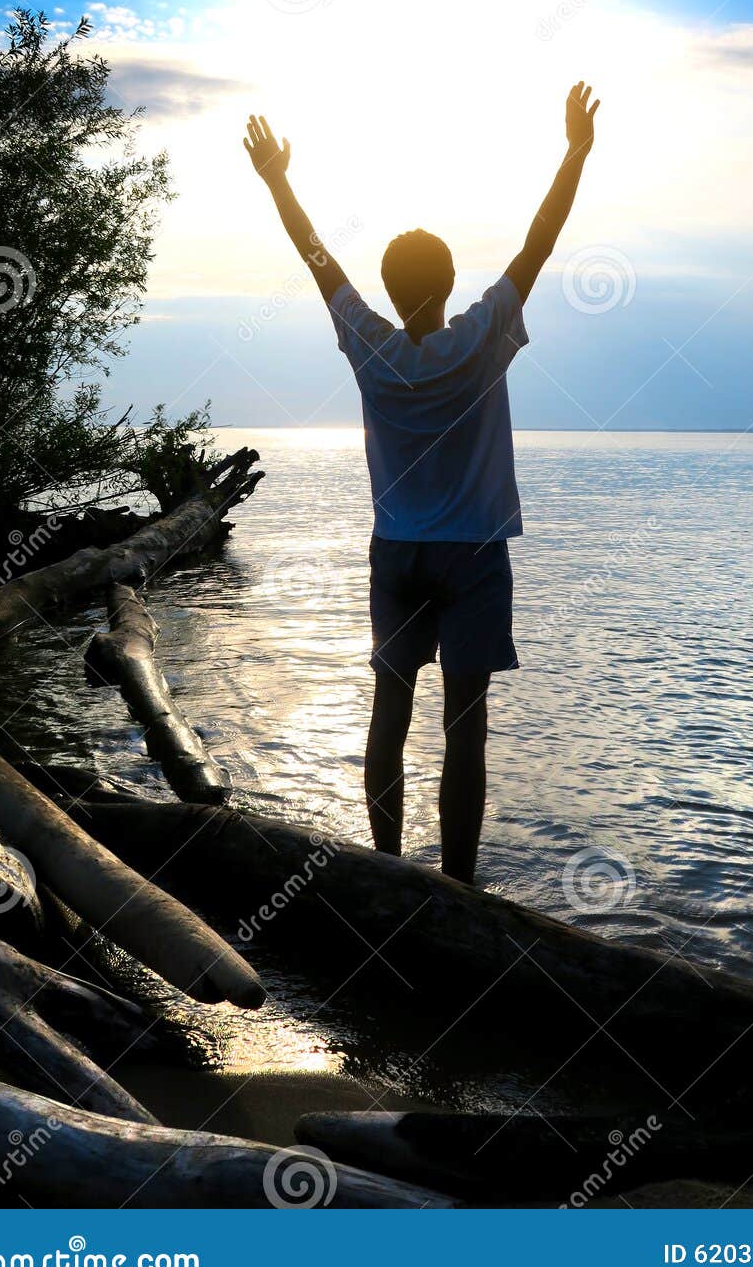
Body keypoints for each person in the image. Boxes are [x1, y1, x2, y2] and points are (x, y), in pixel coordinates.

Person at [243, 80, 600, 883]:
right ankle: (458, 888)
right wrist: (574, 152)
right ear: (447, 283)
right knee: (464, 729)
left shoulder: (367, 343)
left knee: (389, 711)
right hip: (471, 555)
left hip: (396, 551)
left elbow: (316, 259)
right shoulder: (479, 337)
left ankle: (386, 872)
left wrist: (277, 182)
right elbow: (538, 243)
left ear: (392, 290)